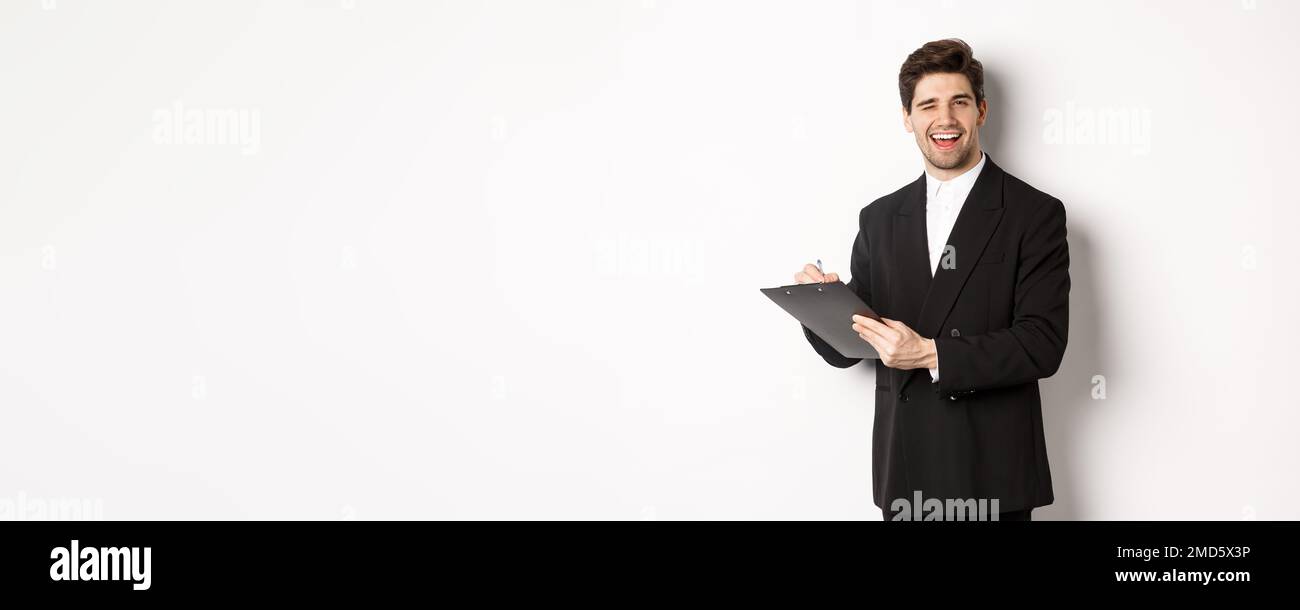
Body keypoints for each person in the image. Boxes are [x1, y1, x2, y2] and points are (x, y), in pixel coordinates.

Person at [794, 39, 1069, 522]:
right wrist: (822, 306)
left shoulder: (1034, 213)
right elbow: (853, 348)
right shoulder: (879, 218)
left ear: (981, 111)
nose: (945, 119)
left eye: (959, 102)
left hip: (992, 476)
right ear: (907, 117)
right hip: (907, 475)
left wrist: (930, 353)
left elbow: (1042, 344)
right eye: (928, 105)